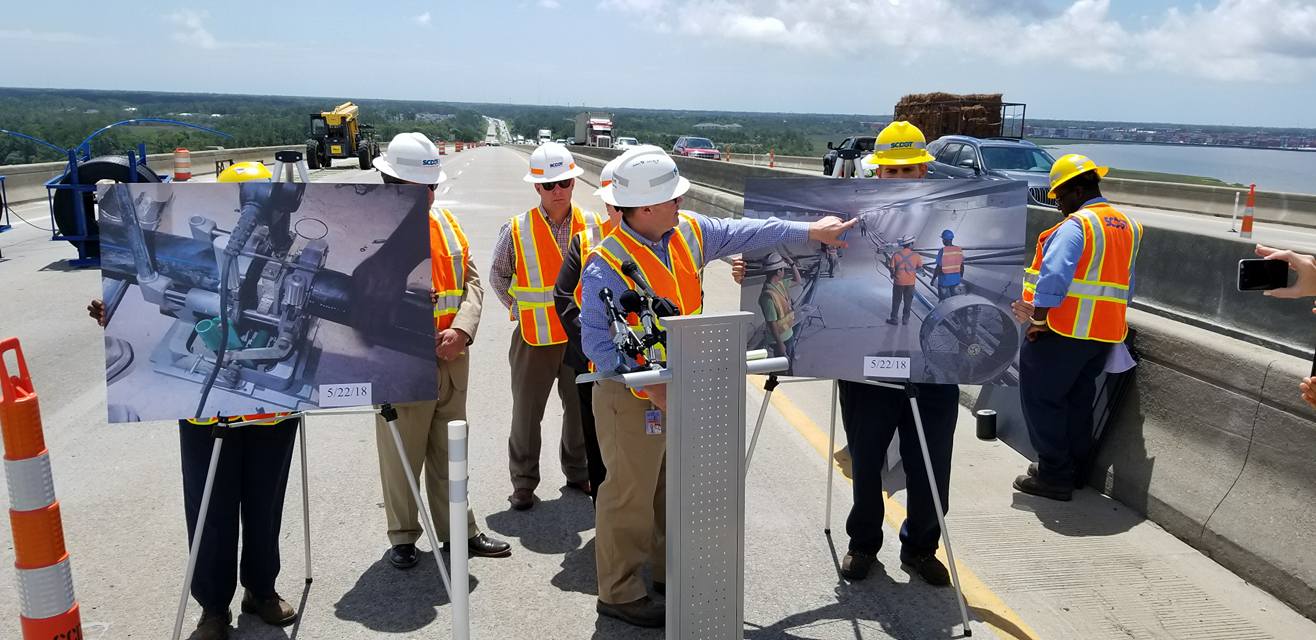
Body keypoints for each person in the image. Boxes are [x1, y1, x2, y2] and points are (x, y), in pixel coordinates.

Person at [580, 147, 855, 627]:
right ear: (643, 208)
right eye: (672, 199)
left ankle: (670, 575)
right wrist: (651, 389)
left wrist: (811, 231)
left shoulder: (688, 233)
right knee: (630, 491)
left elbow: (750, 232)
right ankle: (619, 592)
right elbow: (598, 343)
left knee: (672, 488)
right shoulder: (605, 263)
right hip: (631, 395)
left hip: (681, 382)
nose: (680, 204)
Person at [87, 160, 298, 640]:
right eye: (251, 204)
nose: (258, 217)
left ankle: (261, 589)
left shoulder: (279, 252)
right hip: (206, 413)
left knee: (265, 502)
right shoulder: (206, 249)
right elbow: (162, 293)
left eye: (264, 205)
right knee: (209, 505)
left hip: (269, 415)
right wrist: (111, 316)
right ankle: (213, 608)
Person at [362, 133, 511, 567]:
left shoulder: (446, 223)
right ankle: (403, 536)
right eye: (417, 189)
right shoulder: (370, 231)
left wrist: (463, 330)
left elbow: (473, 283)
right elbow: (357, 299)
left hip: (450, 360)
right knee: (401, 452)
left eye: (430, 188)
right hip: (400, 362)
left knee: (451, 451)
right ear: (390, 183)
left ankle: (458, 532)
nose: (427, 196)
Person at [835, 120, 960, 587]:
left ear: (925, 171)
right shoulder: (849, 217)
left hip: (933, 367)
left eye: (910, 169)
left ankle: (921, 547)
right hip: (866, 364)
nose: (902, 177)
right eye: (892, 170)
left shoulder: (947, 216)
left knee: (931, 462)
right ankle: (863, 543)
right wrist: (754, 269)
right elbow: (803, 254)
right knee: (866, 460)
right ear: (877, 173)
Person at [1012, 153, 1142, 502]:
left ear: (1075, 189)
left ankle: (1054, 475)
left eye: (1059, 196)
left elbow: (1053, 278)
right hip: (1104, 336)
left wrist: (1038, 321)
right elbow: (1126, 285)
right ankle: (1074, 471)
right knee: (1078, 402)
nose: (1058, 205)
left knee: (1042, 400)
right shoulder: (1128, 225)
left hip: (1061, 332)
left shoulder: (1077, 226)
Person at [491, 142, 605, 510]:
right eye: (549, 185)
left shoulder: (594, 226)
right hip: (533, 337)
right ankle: (523, 482)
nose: (558, 191)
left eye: (565, 183)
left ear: (574, 183)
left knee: (580, 410)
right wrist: (517, 308)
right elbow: (498, 275)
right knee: (527, 413)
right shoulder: (517, 229)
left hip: (579, 337)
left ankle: (578, 471)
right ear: (536, 188)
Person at [552, 153, 627, 502]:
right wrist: (591, 341)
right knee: (596, 438)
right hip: (591, 360)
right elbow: (563, 294)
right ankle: (603, 502)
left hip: (645, 362)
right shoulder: (587, 240)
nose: (616, 211)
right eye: (612, 204)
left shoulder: (661, 240)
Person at [757, 252, 803, 358]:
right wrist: (780, 344)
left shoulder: (780, 284)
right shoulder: (768, 296)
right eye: (783, 269)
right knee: (782, 369)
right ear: (778, 272)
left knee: (788, 361)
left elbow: (798, 280)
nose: (784, 271)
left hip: (788, 332)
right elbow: (772, 323)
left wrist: (792, 264)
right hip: (780, 339)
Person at [886, 234, 921, 325]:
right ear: (910, 244)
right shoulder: (916, 255)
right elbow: (920, 268)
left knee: (896, 301)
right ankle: (905, 319)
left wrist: (892, 274)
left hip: (898, 282)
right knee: (908, 301)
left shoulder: (896, 255)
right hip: (910, 283)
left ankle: (894, 319)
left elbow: (891, 268)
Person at [932, 229, 964, 300]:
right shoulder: (958, 249)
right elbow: (961, 265)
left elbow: (938, 267)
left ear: (944, 240)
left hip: (944, 281)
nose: (942, 241)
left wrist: (933, 279)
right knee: (955, 300)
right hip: (956, 280)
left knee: (944, 302)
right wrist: (960, 277)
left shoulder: (942, 251)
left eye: (943, 239)